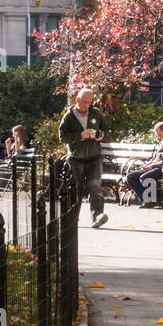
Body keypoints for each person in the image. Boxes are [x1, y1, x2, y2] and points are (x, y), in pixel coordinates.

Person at [59, 87, 109, 228]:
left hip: (94, 156)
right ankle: (73, 219)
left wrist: (101, 135)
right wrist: (80, 136)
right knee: (76, 190)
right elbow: (62, 137)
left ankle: (97, 217)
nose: (87, 105)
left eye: (89, 102)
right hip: (75, 158)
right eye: (85, 102)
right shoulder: (69, 116)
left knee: (95, 187)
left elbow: (105, 129)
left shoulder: (96, 113)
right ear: (77, 100)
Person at [125, 121, 163, 207]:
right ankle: (149, 199)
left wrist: (153, 166)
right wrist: (148, 164)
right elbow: (155, 156)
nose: (158, 136)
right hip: (155, 168)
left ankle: (153, 200)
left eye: (159, 134)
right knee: (130, 177)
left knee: (145, 177)